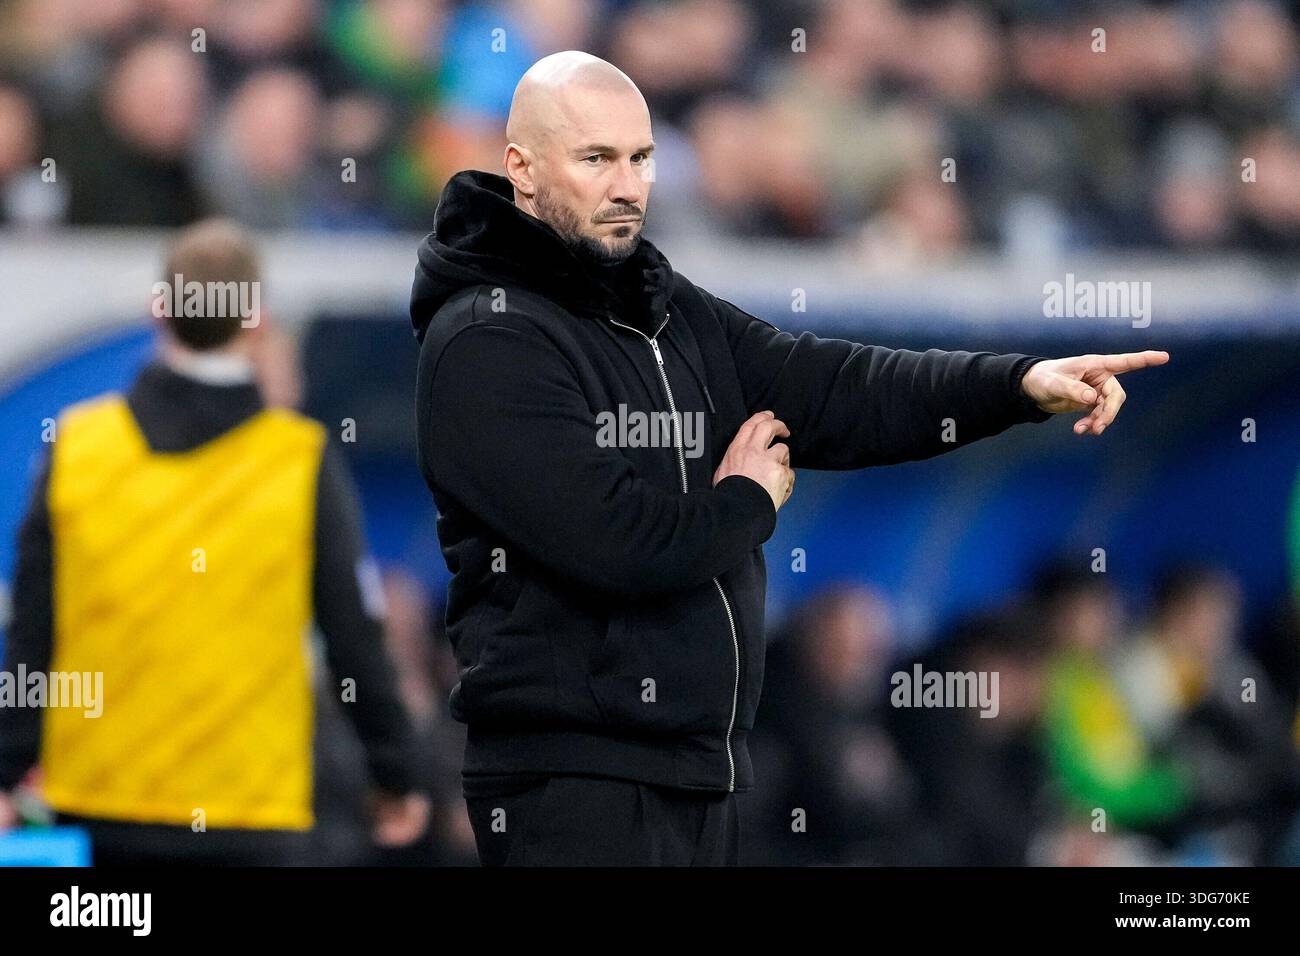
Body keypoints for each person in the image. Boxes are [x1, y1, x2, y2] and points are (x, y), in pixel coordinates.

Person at [408, 51, 1169, 866]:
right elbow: (611, 540)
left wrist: (1016, 383)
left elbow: (838, 387)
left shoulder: (666, 309)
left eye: (642, 157)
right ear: (520, 167)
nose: (626, 184)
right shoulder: (488, 338)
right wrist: (745, 501)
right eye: (596, 159)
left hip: (700, 773)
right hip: (572, 785)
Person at [0, 219, 429, 864]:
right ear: (256, 324)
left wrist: (9, 770)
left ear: (158, 311)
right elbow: (354, 639)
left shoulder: (76, 447)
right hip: (249, 812)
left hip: (100, 803)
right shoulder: (297, 461)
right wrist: (393, 773)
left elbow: (33, 635)